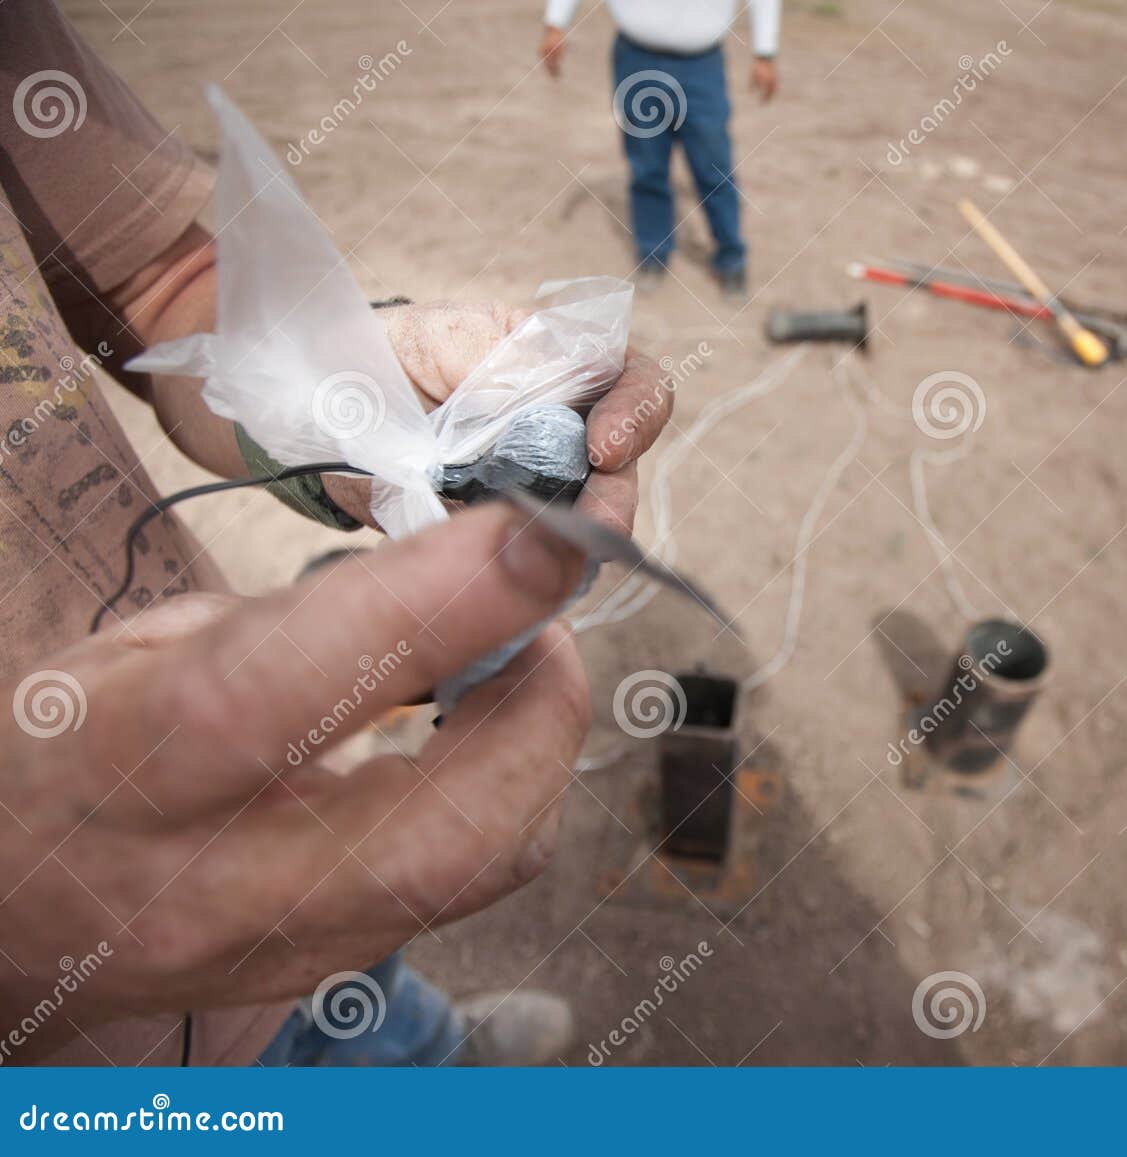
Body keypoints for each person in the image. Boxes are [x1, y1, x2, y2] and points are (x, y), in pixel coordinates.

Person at [0, 2, 672, 1066]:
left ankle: (422, 1051)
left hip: (277, 790)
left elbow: (156, 283)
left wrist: (357, 383)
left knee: (357, 980)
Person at [540, 0, 781, 300]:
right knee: (647, 166)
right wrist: (556, 22)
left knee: (713, 168)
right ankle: (652, 252)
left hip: (701, 64)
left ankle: (731, 257)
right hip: (636, 56)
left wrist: (765, 51)